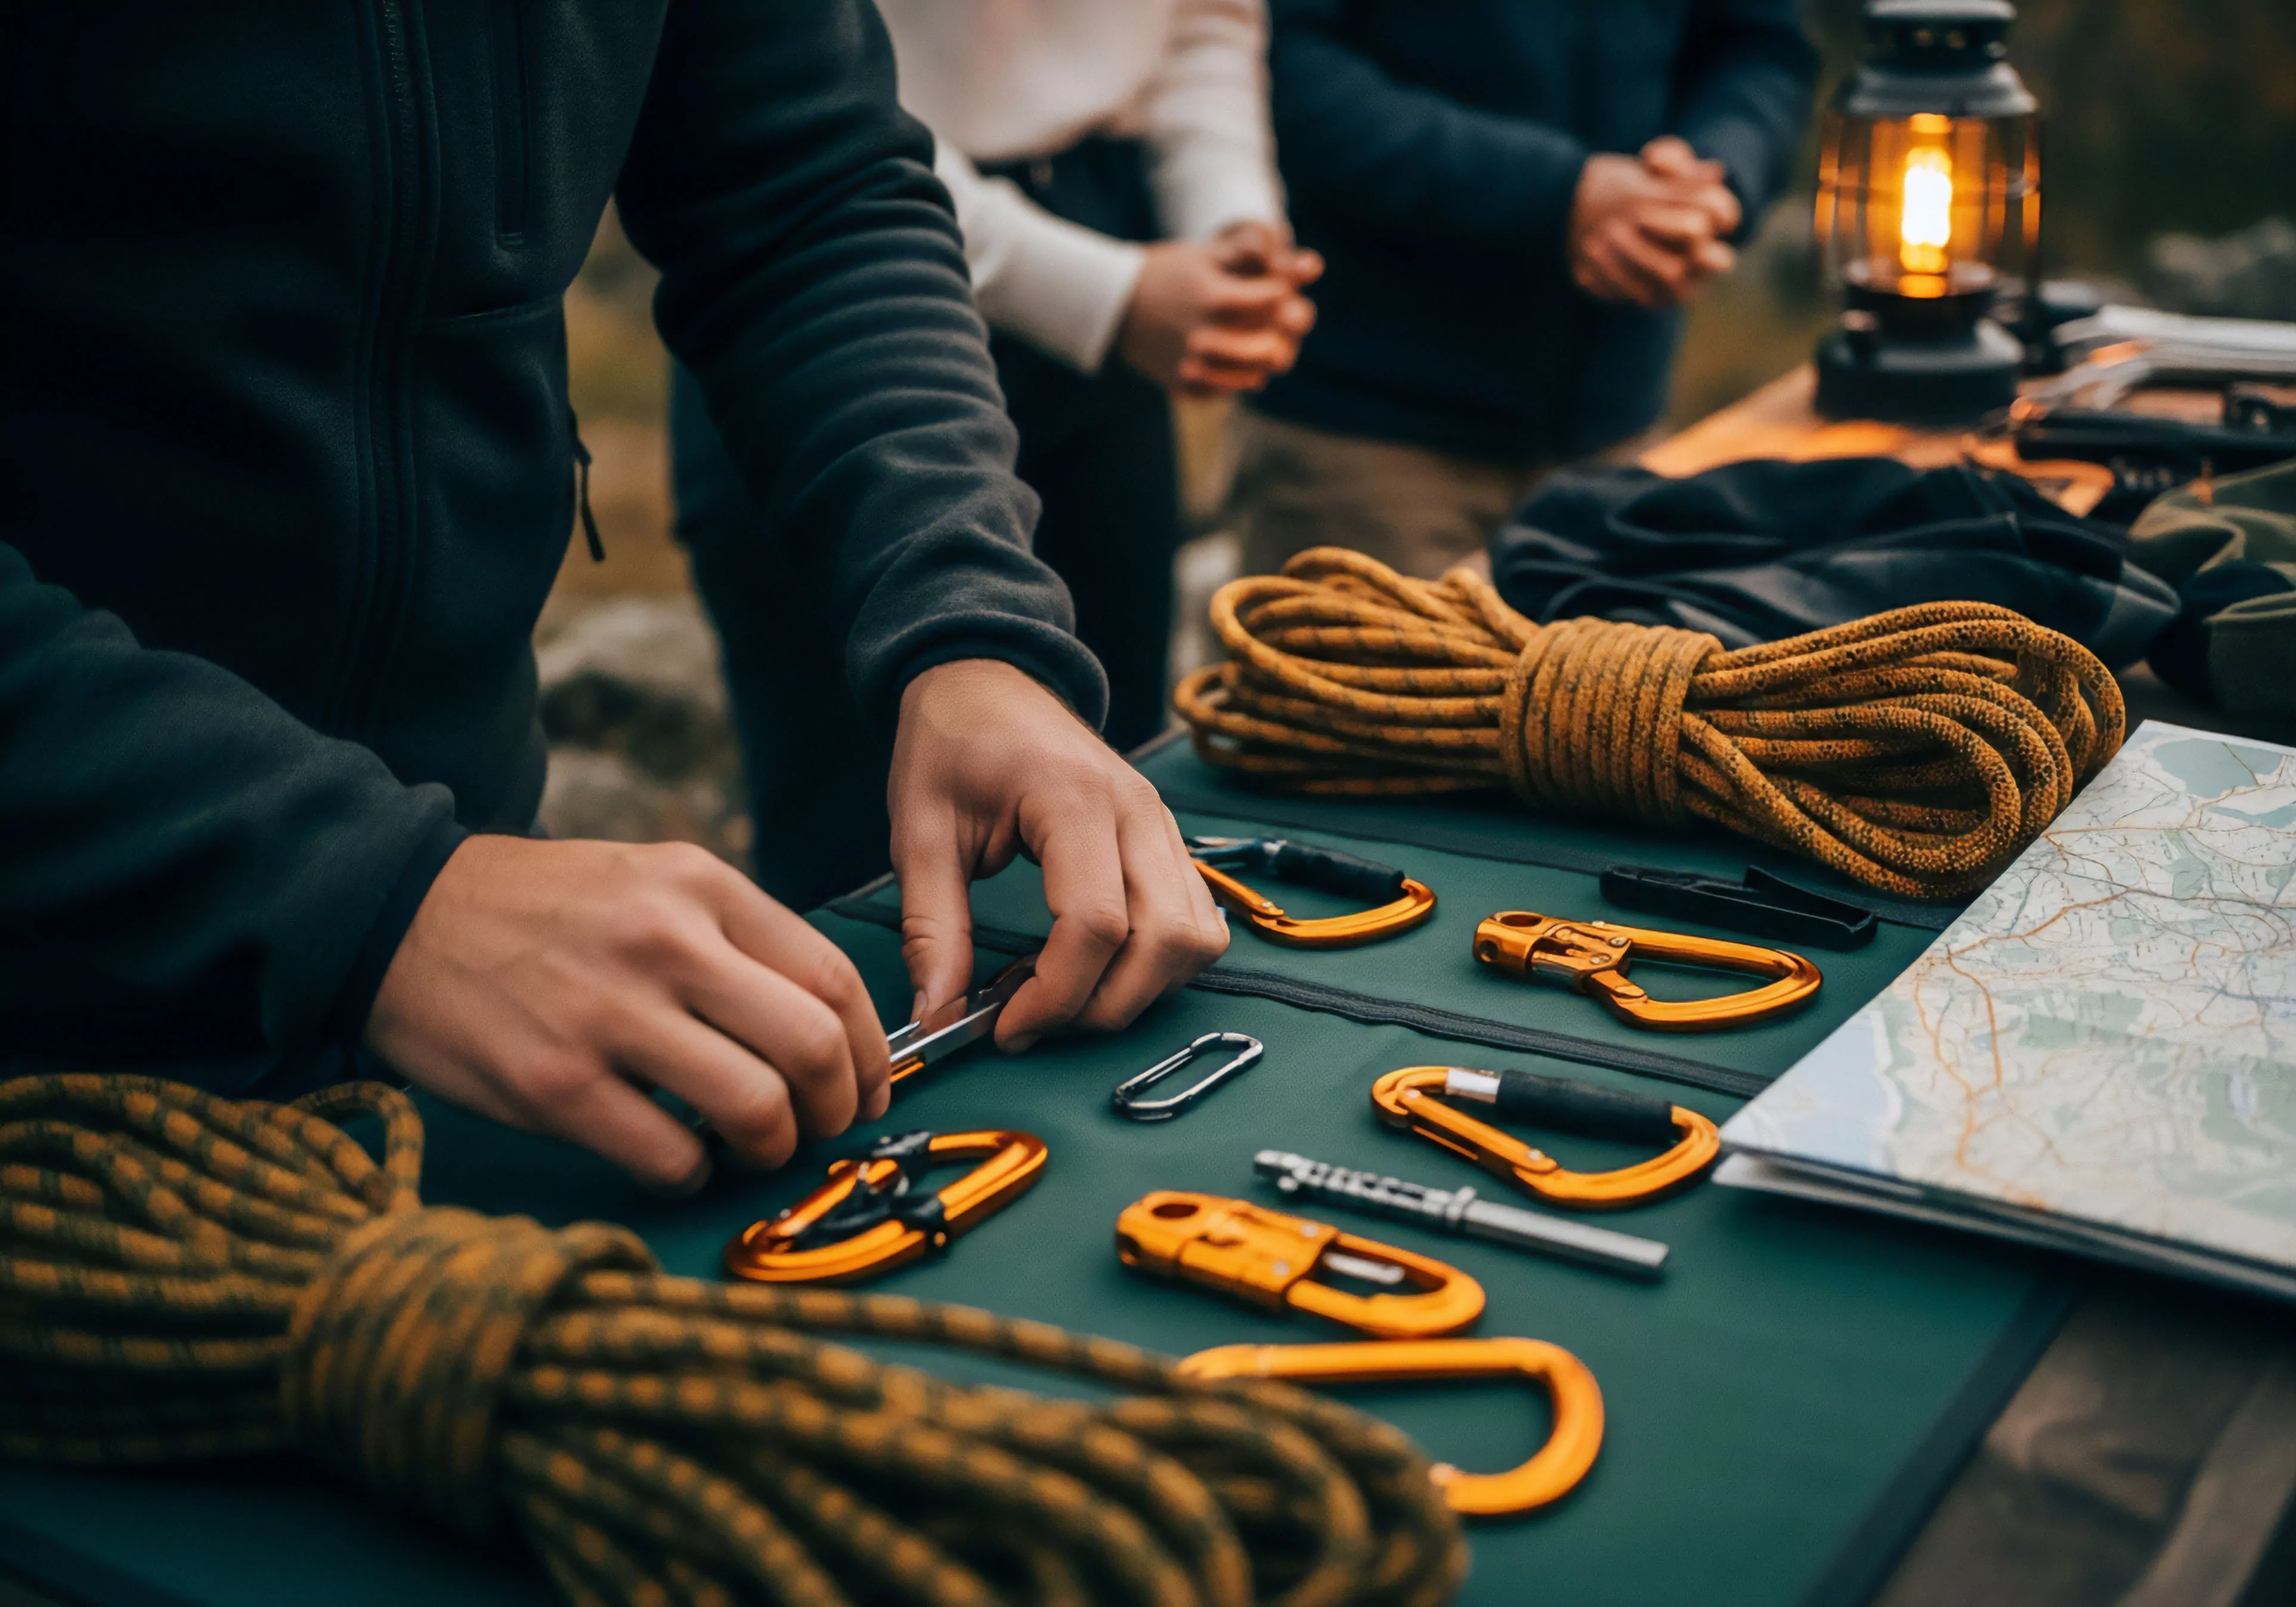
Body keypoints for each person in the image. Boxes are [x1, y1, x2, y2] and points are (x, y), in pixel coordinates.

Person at [1, 1, 1226, 1194]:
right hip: (75, 981)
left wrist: (969, 627)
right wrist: (361, 895)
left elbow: (806, 193)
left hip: (483, 957)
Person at [670, 0, 1322, 907]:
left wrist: (1231, 227)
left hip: (1103, 220)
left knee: (1116, 770)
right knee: (849, 838)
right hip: (819, 300)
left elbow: (1203, 26)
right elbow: (785, 139)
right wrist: (1103, 296)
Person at [1231, 0, 1817, 580]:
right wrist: (1563, 195)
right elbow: (1281, 62)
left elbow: (1759, 45)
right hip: (1366, 444)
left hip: (1616, 439)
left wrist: (1710, 183)